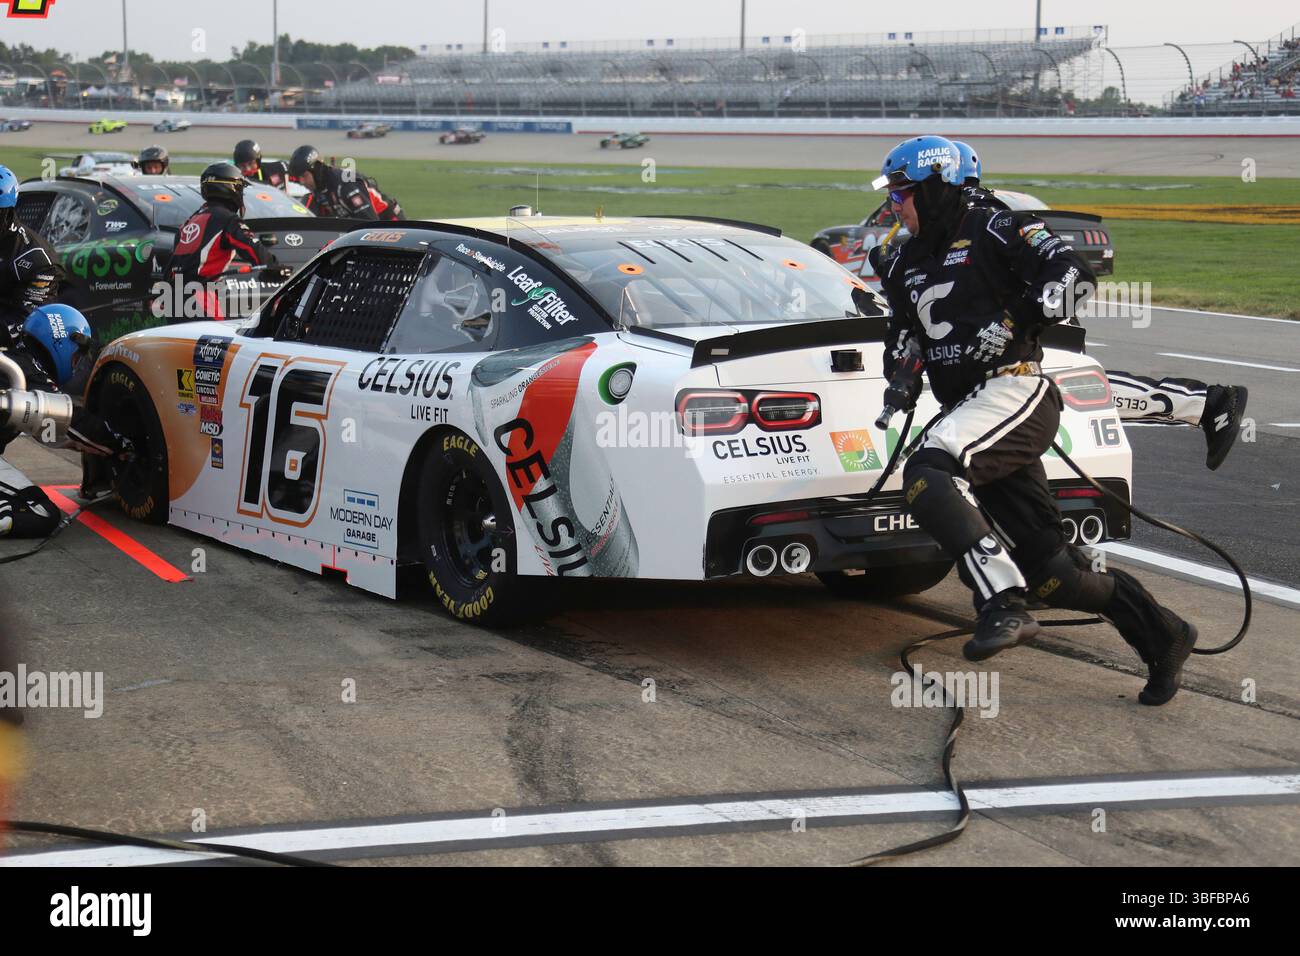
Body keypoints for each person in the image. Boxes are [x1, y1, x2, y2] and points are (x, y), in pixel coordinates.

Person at [872, 135, 1196, 705]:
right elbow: (906, 332)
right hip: (968, 408)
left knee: (927, 473)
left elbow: (1073, 276)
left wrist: (1025, 312)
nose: (892, 205)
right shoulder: (900, 258)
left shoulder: (997, 226)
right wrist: (901, 371)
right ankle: (1164, 633)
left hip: (1014, 387)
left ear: (937, 187)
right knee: (1057, 576)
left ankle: (1001, 603)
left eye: (901, 192)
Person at [948, 140, 1248, 471]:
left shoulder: (974, 215)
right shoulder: (977, 210)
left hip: (1029, 317)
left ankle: (1207, 402)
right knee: (1060, 392)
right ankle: (1203, 403)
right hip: (1035, 310)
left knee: (1067, 389)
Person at [164, 162, 286, 321]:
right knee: (216, 344)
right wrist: (275, 267)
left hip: (172, 300)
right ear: (232, 189)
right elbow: (253, 249)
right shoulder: (227, 220)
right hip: (200, 300)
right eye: (240, 189)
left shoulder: (190, 221)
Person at [287, 145, 405, 221]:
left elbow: (370, 221)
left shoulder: (345, 184)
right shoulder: (320, 189)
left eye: (304, 176)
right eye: (299, 177)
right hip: (372, 226)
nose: (302, 182)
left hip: (389, 221)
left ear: (315, 170)